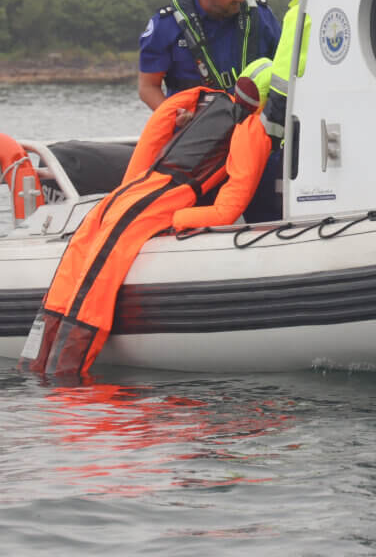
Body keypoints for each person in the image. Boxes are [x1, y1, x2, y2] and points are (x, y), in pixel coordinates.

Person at [20, 76, 276, 382]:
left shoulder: (201, 100)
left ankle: (37, 367)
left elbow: (156, 129)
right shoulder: (249, 128)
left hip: (130, 192)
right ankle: (66, 376)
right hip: (165, 196)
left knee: (76, 263)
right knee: (99, 278)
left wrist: (130, 187)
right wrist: (178, 219)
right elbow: (228, 209)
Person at [240, 0, 326, 223]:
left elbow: (282, 86)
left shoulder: (301, 13)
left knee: (266, 195)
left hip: (304, 137)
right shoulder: (369, 2)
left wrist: (268, 146)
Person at [138, 0, 280, 111]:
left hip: (250, 129)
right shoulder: (166, 25)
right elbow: (148, 87)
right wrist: (175, 115)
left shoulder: (261, 17)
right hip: (194, 128)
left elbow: (286, 73)